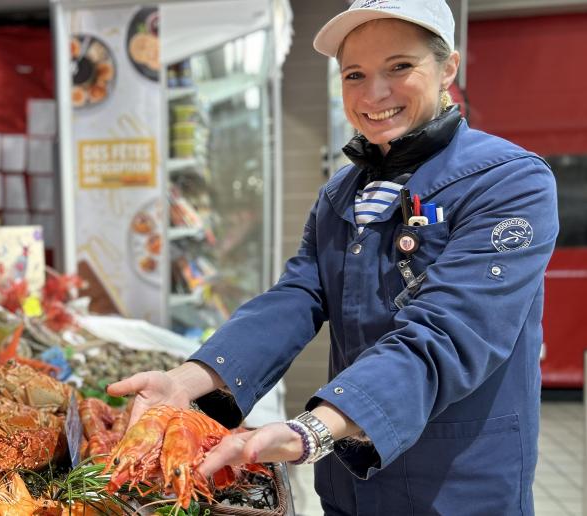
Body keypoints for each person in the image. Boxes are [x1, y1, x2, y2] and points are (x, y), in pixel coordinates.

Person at [108, 1, 558, 514]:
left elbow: (450, 331)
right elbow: (298, 297)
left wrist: (312, 429)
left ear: (448, 68)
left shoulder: (509, 182)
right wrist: (186, 382)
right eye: (354, 74)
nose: (374, 94)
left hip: (457, 481)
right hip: (350, 484)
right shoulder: (342, 192)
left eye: (400, 67)